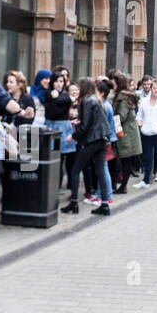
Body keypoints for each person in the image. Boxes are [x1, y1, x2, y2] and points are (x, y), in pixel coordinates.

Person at [62, 76, 113, 214]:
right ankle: (104, 204)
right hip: (102, 139)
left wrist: (72, 135)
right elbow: (93, 121)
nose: (78, 89)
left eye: (79, 87)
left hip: (92, 141)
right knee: (100, 171)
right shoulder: (96, 100)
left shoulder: (87, 101)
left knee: (75, 170)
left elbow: (85, 126)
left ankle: (73, 203)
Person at [44, 70, 75, 193]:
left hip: (62, 127)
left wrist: (56, 98)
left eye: (61, 81)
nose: (59, 84)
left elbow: (66, 101)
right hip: (50, 125)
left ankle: (65, 184)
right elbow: (50, 107)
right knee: (53, 156)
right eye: (56, 81)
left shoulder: (65, 95)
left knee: (64, 156)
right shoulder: (48, 93)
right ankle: (54, 185)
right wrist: (54, 97)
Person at [112, 76, 141, 194]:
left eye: (113, 83)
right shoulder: (126, 97)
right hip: (129, 133)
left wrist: (112, 121)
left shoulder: (122, 100)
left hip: (125, 134)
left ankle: (123, 186)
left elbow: (121, 117)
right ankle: (122, 185)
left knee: (125, 160)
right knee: (125, 161)